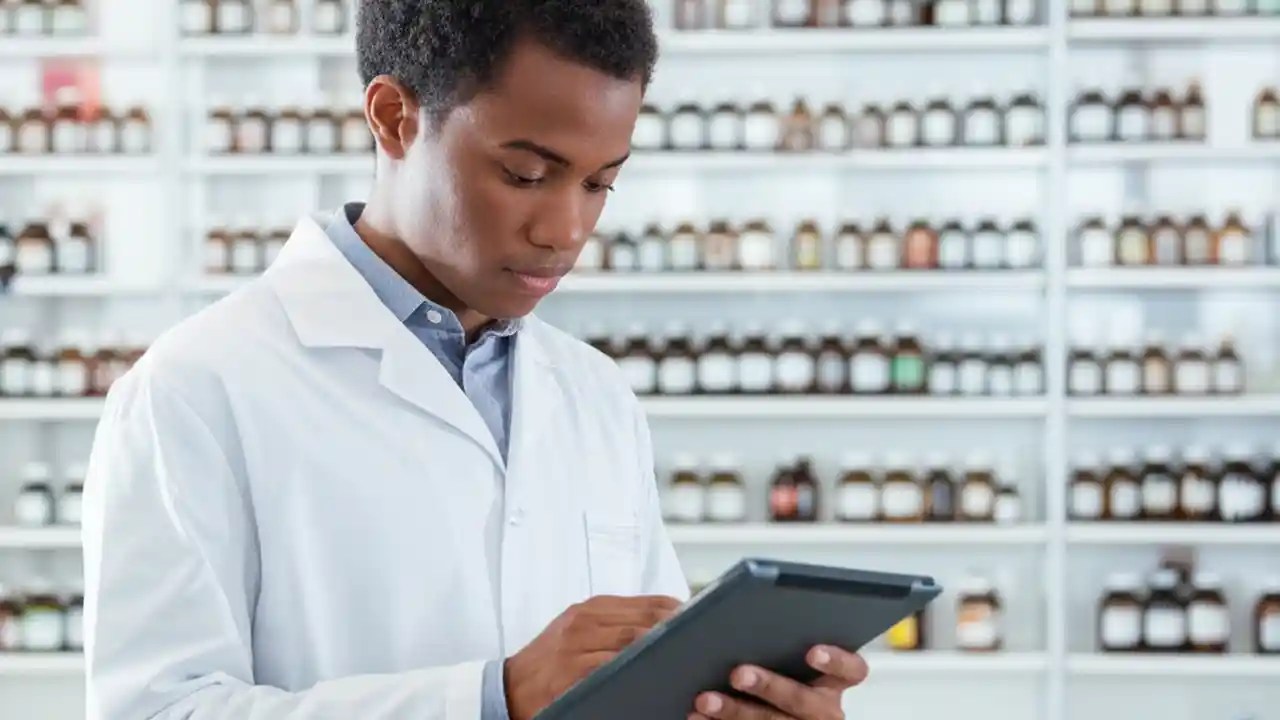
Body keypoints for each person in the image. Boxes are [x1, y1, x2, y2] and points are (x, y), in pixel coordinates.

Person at [82, 2, 869, 718]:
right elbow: (152, 710)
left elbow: (644, 678)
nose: (566, 229)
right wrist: (490, 696)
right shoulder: (194, 389)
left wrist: (738, 703)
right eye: (525, 174)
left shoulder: (593, 393)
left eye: (601, 184)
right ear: (394, 118)